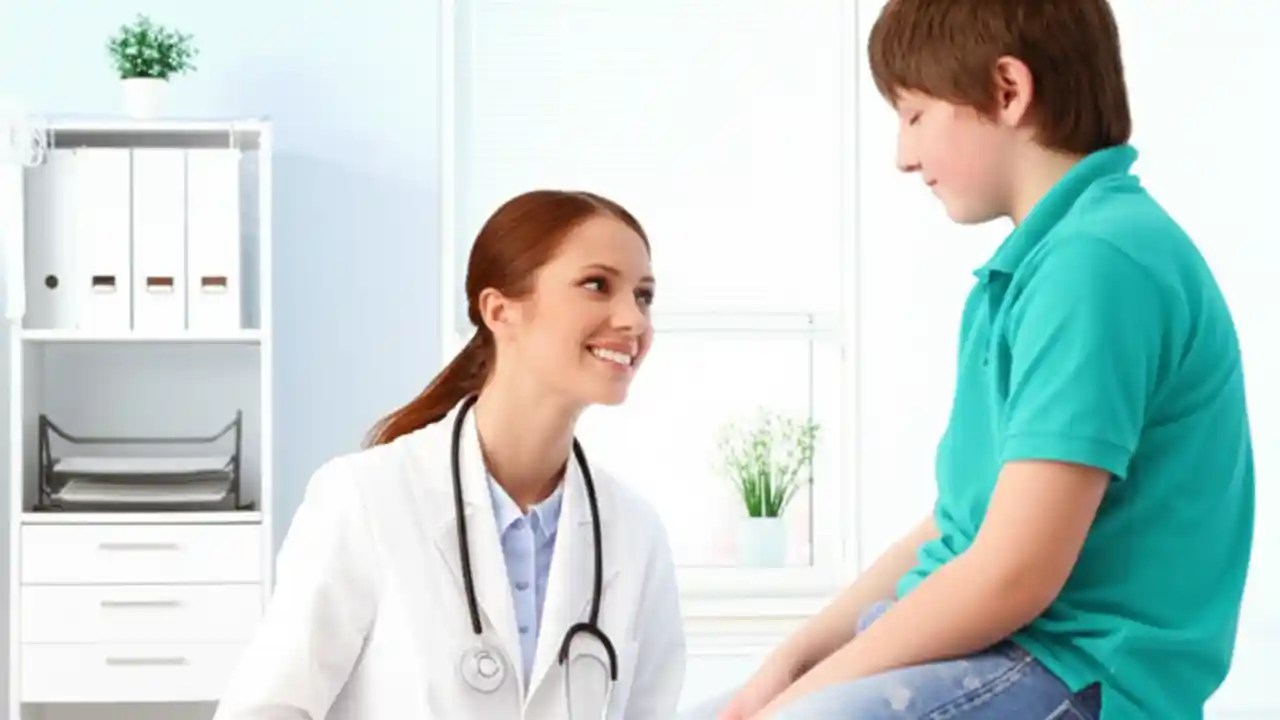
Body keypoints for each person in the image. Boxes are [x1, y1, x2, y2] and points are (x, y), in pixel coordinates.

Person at [689, 1, 1255, 718]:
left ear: (1008, 90)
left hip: (1071, 672)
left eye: (915, 114)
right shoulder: (1039, 269)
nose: (901, 155)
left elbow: (1012, 576)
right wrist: (792, 662)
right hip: (1005, 654)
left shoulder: (1098, 264)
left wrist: (802, 696)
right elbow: (957, 528)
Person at [214, 190, 686, 719]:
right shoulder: (366, 497)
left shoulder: (635, 532)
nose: (633, 320)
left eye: (643, 296)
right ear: (499, 310)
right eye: (597, 285)